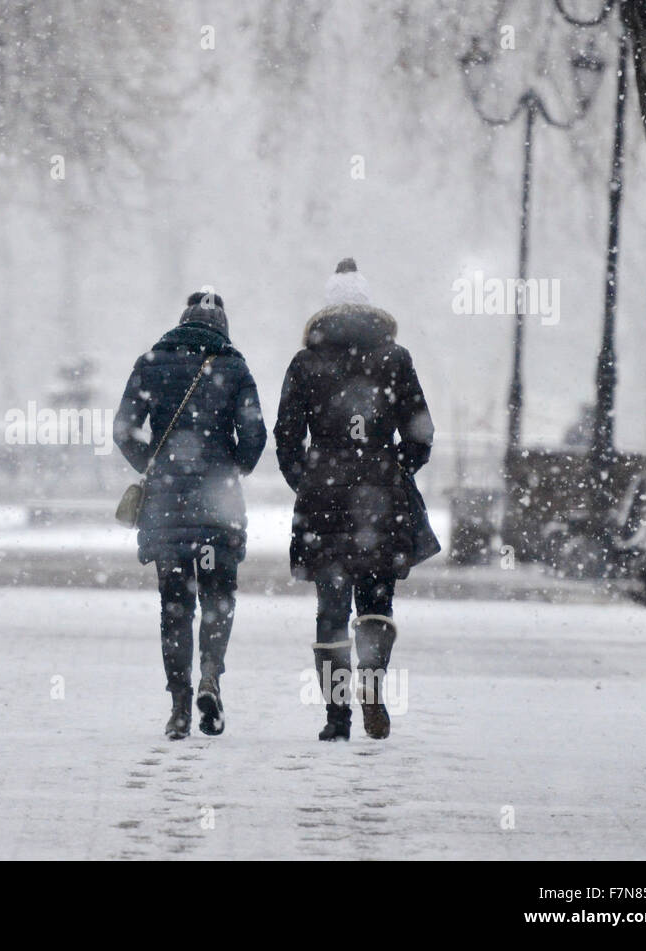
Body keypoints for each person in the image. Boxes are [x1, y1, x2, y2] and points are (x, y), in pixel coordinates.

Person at [275, 259, 436, 741]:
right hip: (381, 499)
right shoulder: (395, 359)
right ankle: (372, 683)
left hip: (324, 500)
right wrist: (395, 468)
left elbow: (286, 437)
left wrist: (307, 478)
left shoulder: (306, 363)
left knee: (331, 608)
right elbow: (421, 432)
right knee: (376, 602)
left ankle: (336, 715)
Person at [114, 290, 267, 739]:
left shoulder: (151, 362)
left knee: (175, 606)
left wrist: (152, 465)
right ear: (222, 326)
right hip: (218, 510)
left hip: (166, 508)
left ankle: (180, 706)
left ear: (182, 321)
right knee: (217, 598)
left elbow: (123, 429)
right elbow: (255, 435)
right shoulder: (235, 368)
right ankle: (211, 676)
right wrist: (232, 465)